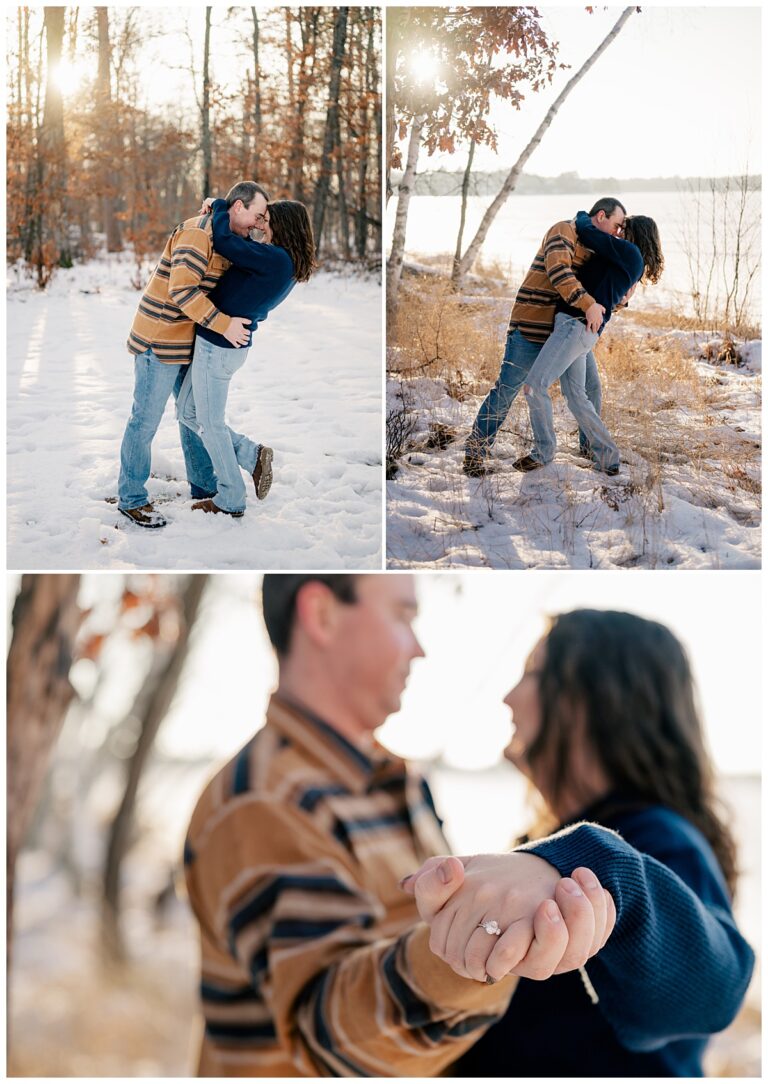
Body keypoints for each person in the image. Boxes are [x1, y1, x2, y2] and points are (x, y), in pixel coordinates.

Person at [183, 574, 615, 1077]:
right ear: (322, 615)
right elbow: (327, 1034)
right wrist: (469, 951)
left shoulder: (395, 777)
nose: (420, 650)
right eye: (403, 616)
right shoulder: (263, 801)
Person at [404, 609, 755, 1077]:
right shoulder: (541, 845)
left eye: (531, 674)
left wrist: (599, 864)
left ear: (589, 700)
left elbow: (714, 990)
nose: (508, 697)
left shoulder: (661, 840)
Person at [117, 180, 268, 528]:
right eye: (257, 216)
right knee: (144, 420)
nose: (259, 225)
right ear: (239, 206)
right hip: (160, 338)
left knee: (193, 416)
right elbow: (182, 290)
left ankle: (204, 487)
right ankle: (131, 498)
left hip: (190, 341)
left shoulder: (229, 237)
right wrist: (223, 324)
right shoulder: (198, 234)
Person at [463, 198, 626, 478]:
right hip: (532, 328)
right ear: (601, 215)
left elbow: (600, 292)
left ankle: (589, 449)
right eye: (616, 225)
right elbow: (559, 272)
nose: (618, 232)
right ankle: (475, 454)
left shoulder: (595, 249)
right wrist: (588, 304)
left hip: (566, 333)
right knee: (507, 390)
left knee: (591, 388)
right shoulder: (563, 231)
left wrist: (619, 300)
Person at [176, 197, 317, 518]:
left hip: (219, 348)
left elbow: (226, 243)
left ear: (282, 225)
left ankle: (231, 497)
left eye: (265, 219)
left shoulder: (277, 259)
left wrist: (222, 206)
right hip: (220, 344)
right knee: (188, 412)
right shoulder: (280, 259)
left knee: (209, 424)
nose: (260, 224)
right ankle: (251, 455)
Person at [515, 213, 664, 475]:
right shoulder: (622, 257)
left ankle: (543, 452)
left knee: (534, 386)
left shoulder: (629, 253)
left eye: (623, 228)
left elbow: (588, 231)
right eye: (618, 227)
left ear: (636, 234)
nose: (617, 232)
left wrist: (584, 215)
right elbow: (610, 294)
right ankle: (608, 458)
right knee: (576, 396)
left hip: (575, 327)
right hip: (574, 327)